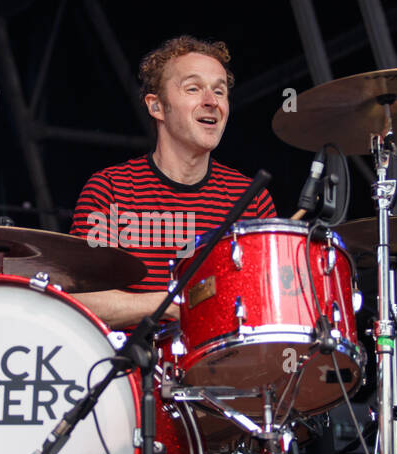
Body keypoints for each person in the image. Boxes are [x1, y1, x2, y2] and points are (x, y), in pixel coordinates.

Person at [71, 36, 276, 329]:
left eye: (219, 91)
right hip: (131, 369)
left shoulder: (252, 198)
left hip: (228, 368)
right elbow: (82, 298)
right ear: (157, 107)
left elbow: (268, 298)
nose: (211, 101)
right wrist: (174, 303)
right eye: (193, 88)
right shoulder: (111, 189)